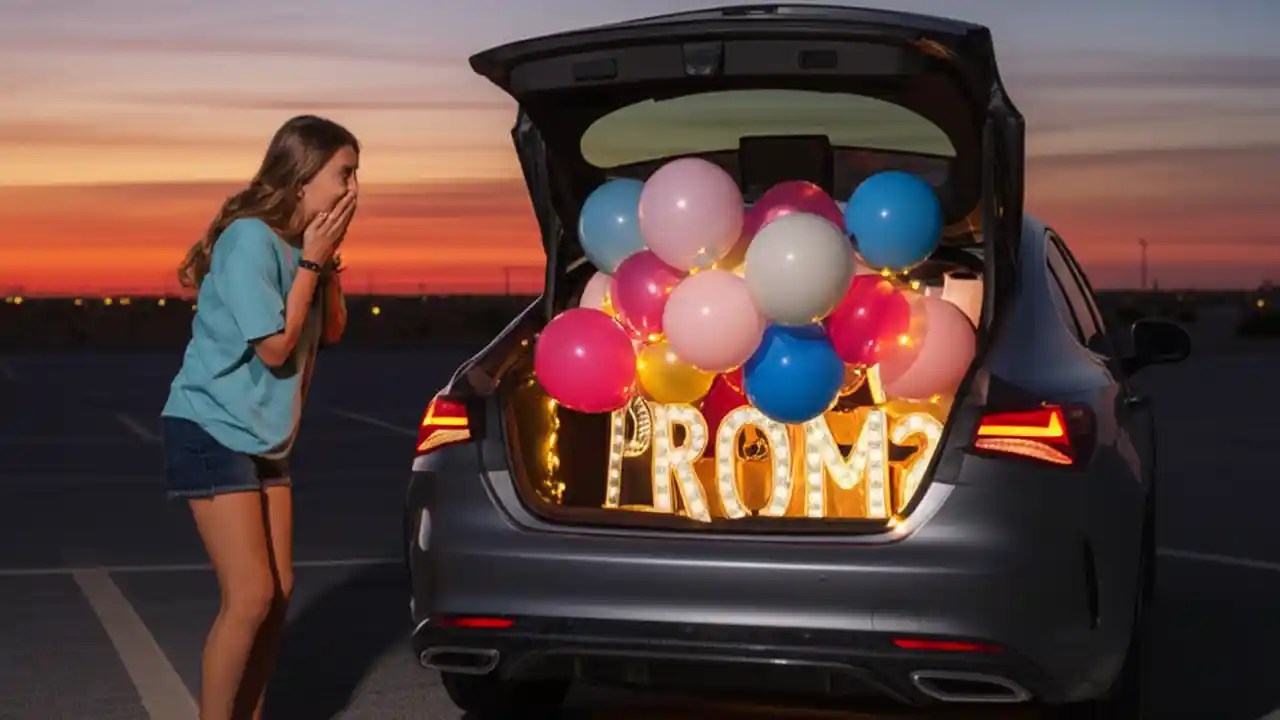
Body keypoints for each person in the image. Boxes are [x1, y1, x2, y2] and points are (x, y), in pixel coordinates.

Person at [160, 114, 359, 720]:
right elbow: (275, 346)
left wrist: (325, 261)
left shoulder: (306, 248)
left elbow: (332, 332)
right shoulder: (248, 238)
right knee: (249, 597)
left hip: (264, 434)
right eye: (343, 173)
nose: (354, 187)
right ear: (302, 178)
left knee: (280, 594)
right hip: (209, 426)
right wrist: (308, 266)